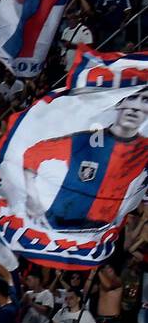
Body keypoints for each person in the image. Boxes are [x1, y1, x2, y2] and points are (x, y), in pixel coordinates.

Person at [21, 89, 148, 229]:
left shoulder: (144, 150)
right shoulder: (85, 140)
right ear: (119, 103)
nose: (136, 107)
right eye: (132, 97)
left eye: (145, 100)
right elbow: (32, 154)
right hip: (59, 224)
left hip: (98, 232)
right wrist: (32, 197)